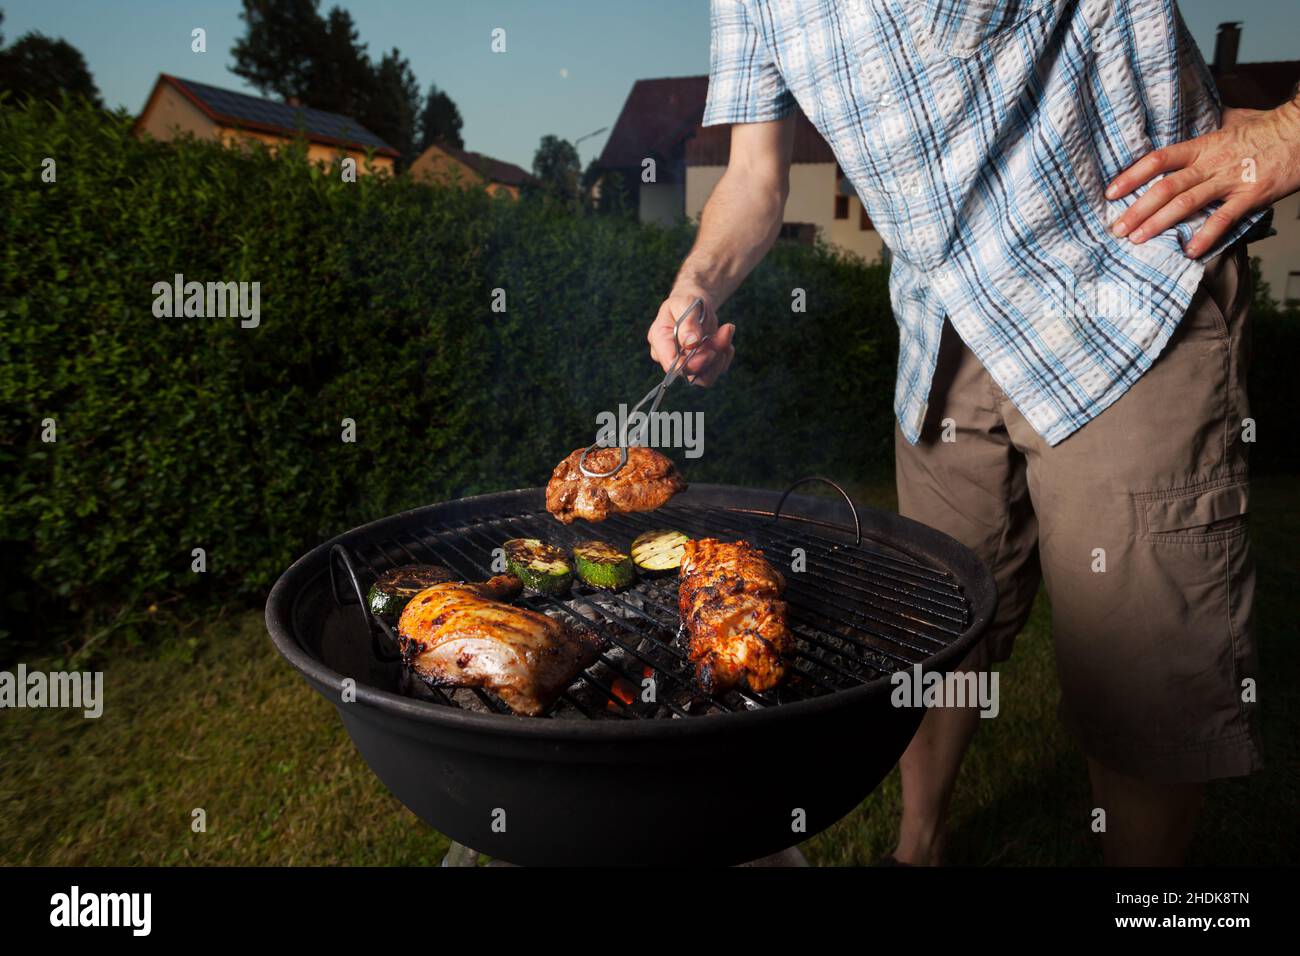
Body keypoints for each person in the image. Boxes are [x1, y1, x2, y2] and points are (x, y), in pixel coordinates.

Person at [647, 0, 1300, 866]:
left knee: (1141, 670)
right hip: (941, 331)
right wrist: (699, 282)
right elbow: (754, 178)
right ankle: (918, 850)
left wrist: (1291, 129)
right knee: (932, 625)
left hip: (1126, 289)